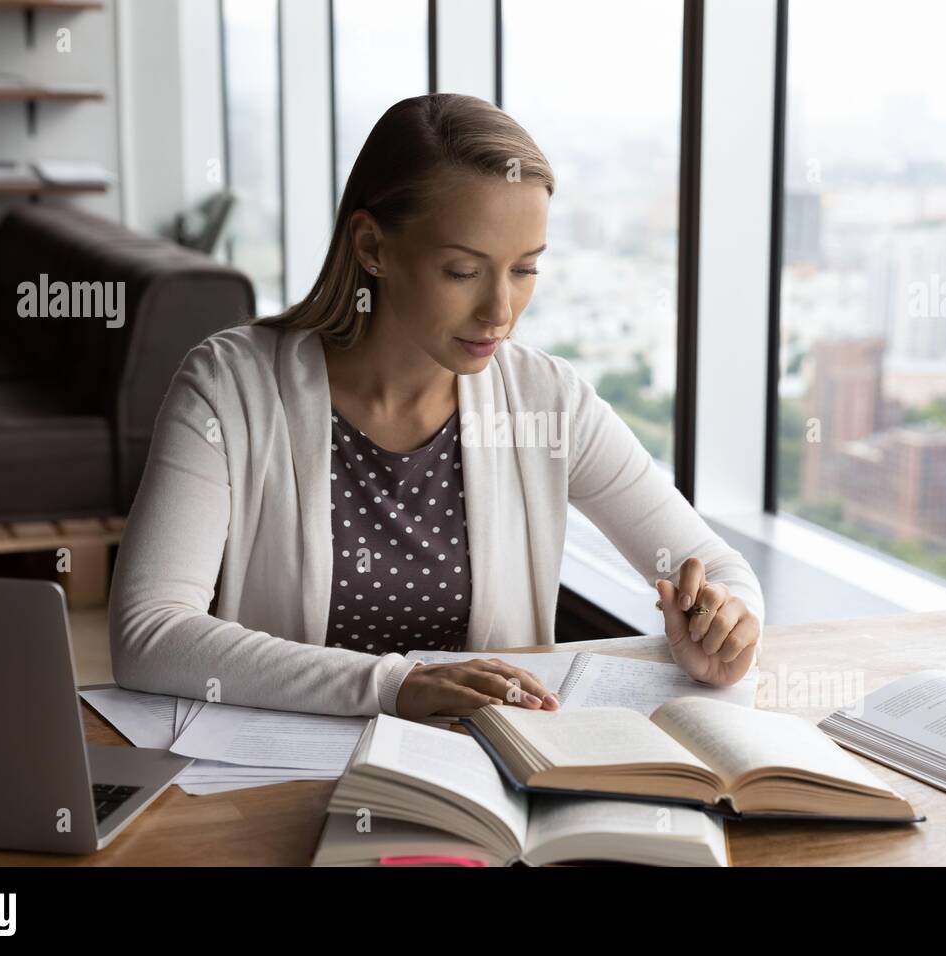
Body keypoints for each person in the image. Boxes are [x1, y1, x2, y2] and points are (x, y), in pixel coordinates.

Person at [109, 93, 764, 722]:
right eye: (463, 271)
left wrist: (724, 625)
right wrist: (396, 686)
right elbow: (150, 634)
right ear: (371, 247)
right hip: (276, 790)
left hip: (486, 786)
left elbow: (718, 566)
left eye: (525, 269)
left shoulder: (548, 403)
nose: (500, 311)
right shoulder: (230, 387)